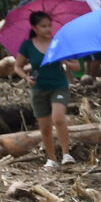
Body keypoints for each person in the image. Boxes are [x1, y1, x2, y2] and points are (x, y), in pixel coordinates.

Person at [13, 10, 76, 169]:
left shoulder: (58, 42)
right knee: (45, 128)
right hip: (38, 89)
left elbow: (77, 66)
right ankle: (51, 158)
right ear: (34, 28)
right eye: (43, 26)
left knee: (58, 118)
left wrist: (65, 61)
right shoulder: (27, 45)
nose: (48, 29)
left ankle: (66, 153)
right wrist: (26, 78)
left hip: (59, 86)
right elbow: (17, 67)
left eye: (49, 25)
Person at [67, 0, 101, 81]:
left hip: (95, 27)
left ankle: (89, 79)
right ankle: (90, 78)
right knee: (97, 55)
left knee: (91, 58)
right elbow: (69, 11)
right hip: (83, 29)